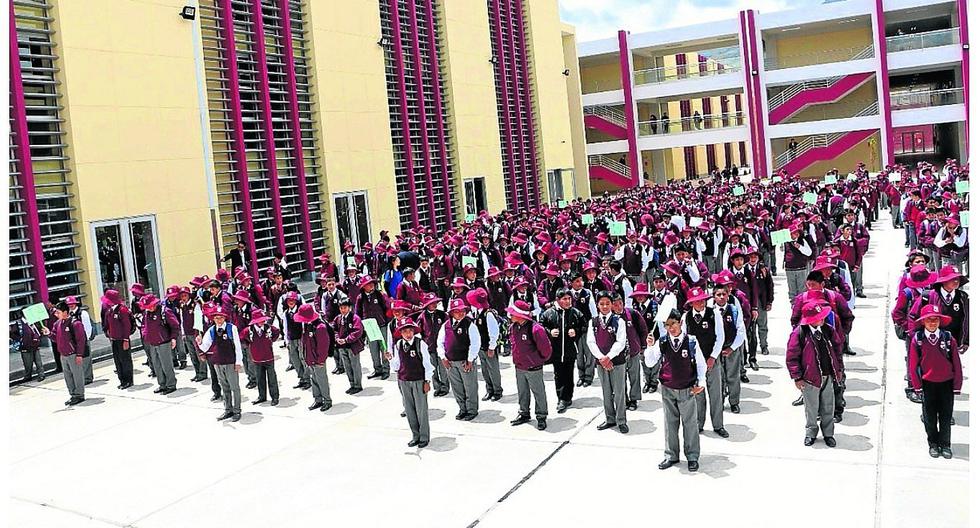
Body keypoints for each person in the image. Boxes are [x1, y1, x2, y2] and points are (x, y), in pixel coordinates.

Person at [644, 309, 706, 472]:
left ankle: (692, 456)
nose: (670, 328)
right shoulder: (663, 341)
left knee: (690, 423)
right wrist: (649, 347)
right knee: (670, 423)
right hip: (668, 388)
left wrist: (701, 382)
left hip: (686, 388)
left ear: (681, 323)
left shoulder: (691, 341)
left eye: (673, 323)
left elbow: (700, 364)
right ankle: (671, 455)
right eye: (667, 325)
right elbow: (650, 362)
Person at [908, 304, 963, 459]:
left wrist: (957, 385)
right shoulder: (917, 340)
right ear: (924, 322)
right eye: (929, 320)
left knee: (946, 416)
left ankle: (945, 444)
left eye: (936, 320)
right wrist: (917, 386)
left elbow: (956, 364)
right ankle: (933, 443)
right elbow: (913, 365)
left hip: (946, 383)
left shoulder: (948, 339)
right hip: (928, 384)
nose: (933, 323)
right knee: (929, 416)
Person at [786, 301, 844, 448]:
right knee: (811, 408)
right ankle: (811, 433)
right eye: (819, 316)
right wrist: (797, 377)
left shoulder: (828, 330)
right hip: (810, 378)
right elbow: (792, 357)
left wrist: (839, 369)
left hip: (828, 375)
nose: (823, 318)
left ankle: (828, 434)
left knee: (828, 406)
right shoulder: (799, 333)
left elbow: (837, 349)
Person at [683, 286, 727, 437]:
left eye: (702, 301)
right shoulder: (686, 317)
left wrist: (713, 357)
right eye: (697, 301)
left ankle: (718, 425)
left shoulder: (713, 314)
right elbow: (684, 339)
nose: (700, 304)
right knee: (698, 394)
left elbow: (720, 337)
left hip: (711, 360)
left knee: (716, 393)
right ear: (691, 303)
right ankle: (698, 423)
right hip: (695, 363)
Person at [538, 289, 587, 413]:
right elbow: (540, 327)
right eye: (564, 299)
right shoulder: (548, 313)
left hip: (570, 349)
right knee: (558, 374)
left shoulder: (575, 313)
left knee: (569, 374)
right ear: (558, 300)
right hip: (556, 351)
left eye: (569, 299)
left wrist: (576, 331)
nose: (567, 301)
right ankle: (561, 398)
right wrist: (549, 332)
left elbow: (584, 325)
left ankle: (567, 397)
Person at [588, 291, 629, 433]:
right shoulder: (593, 322)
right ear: (598, 305)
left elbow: (620, 342)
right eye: (602, 304)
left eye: (607, 303)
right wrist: (601, 358)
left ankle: (621, 420)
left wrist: (609, 357)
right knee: (606, 391)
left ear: (612, 305)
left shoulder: (619, 321)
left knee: (619, 392)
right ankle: (610, 418)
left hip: (617, 362)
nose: (605, 306)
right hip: (601, 362)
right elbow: (591, 342)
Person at [507, 301, 553, 430]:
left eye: (513, 314)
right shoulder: (513, 327)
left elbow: (546, 349)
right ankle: (524, 413)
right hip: (519, 366)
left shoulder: (536, 329)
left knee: (538, 392)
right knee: (522, 392)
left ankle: (541, 416)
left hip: (533, 367)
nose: (510, 315)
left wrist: (538, 360)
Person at [390, 318, 432, 448]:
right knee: (409, 410)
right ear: (401, 333)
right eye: (404, 331)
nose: (408, 334)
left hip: (418, 380)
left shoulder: (420, 344)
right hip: (404, 380)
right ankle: (415, 435)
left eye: (410, 331)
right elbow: (397, 365)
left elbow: (427, 365)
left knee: (421, 410)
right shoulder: (398, 345)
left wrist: (427, 381)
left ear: (413, 331)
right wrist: (390, 359)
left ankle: (424, 436)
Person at [437, 298, 481, 421]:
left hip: (464, 362)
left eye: (462, 311)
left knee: (469, 386)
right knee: (457, 387)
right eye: (457, 311)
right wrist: (443, 357)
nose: (460, 313)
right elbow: (440, 342)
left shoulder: (469, 324)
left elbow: (475, 343)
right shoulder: (446, 325)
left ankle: (472, 410)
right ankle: (462, 408)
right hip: (451, 362)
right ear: (451, 312)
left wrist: (470, 359)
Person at [198, 307, 244, 421]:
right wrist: (199, 342)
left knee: (234, 387)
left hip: (230, 361)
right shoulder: (211, 330)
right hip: (218, 362)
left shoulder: (231, 328)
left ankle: (237, 410)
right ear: (213, 319)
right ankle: (228, 409)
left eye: (221, 317)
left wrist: (238, 362)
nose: (219, 320)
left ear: (225, 318)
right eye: (217, 318)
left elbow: (237, 346)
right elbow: (205, 346)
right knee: (224, 387)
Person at [44, 301, 87, 405]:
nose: (56, 314)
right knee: (68, 376)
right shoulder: (57, 324)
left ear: (65, 312)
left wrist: (79, 354)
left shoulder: (75, 323)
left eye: (58, 312)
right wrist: (49, 333)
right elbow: (55, 337)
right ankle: (73, 394)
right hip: (63, 355)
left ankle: (79, 395)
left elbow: (81, 340)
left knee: (77, 376)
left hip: (73, 354)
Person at [295, 303, 333, 412]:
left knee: (322, 380)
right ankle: (318, 399)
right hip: (310, 358)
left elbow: (323, 345)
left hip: (318, 359)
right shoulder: (308, 325)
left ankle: (327, 400)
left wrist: (321, 359)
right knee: (314, 379)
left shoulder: (320, 327)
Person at [140, 294, 180, 395]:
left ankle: (171, 384)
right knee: (157, 365)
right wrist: (145, 335)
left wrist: (173, 338)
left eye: (150, 306)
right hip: (152, 342)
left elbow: (175, 325)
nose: (149, 308)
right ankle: (162, 384)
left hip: (164, 342)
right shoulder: (146, 313)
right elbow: (144, 325)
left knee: (166, 364)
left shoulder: (164, 311)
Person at [467, 288, 502, 401]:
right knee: (485, 369)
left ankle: (497, 391)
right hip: (480, 347)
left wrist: (492, 347)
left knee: (493, 369)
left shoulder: (488, 314)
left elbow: (494, 332)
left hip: (488, 347)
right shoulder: (476, 313)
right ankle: (489, 389)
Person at [243, 311, 281, 406]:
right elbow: (242, 338)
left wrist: (271, 341)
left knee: (272, 377)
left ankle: (275, 397)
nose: (262, 322)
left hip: (269, 357)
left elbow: (277, 332)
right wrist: (249, 345)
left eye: (263, 320)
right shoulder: (249, 330)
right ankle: (262, 396)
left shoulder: (269, 328)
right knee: (260, 378)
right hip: (256, 358)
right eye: (260, 320)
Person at [101, 289, 135, 389]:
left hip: (122, 339)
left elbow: (126, 326)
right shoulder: (110, 310)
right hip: (114, 339)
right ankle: (122, 380)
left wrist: (126, 339)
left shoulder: (122, 310)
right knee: (117, 361)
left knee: (125, 360)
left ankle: (128, 380)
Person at [333, 297, 365, 394]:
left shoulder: (355, 318)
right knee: (347, 366)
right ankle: (352, 384)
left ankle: (358, 385)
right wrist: (337, 338)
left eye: (345, 308)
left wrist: (346, 340)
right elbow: (334, 330)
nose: (343, 310)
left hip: (353, 346)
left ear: (349, 308)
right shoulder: (338, 319)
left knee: (355, 365)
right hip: (342, 346)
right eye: (341, 308)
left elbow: (358, 332)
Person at [65, 296, 94, 384]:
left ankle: (88, 377)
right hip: (74, 341)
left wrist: (86, 339)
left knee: (86, 359)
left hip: (84, 339)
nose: (71, 306)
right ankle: (82, 377)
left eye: (72, 304)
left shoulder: (82, 313)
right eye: (69, 304)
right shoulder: (68, 314)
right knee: (79, 360)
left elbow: (87, 327)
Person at [12, 309, 45, 383]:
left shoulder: (33, 321)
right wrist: (21, 340)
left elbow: (39, 330)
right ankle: (28, 376)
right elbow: (13, 334)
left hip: (35, 345)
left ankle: (41, 374)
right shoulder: (19, 323)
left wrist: (39, 337)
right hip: (25, 346)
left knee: (38, 361)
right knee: (27, 363)